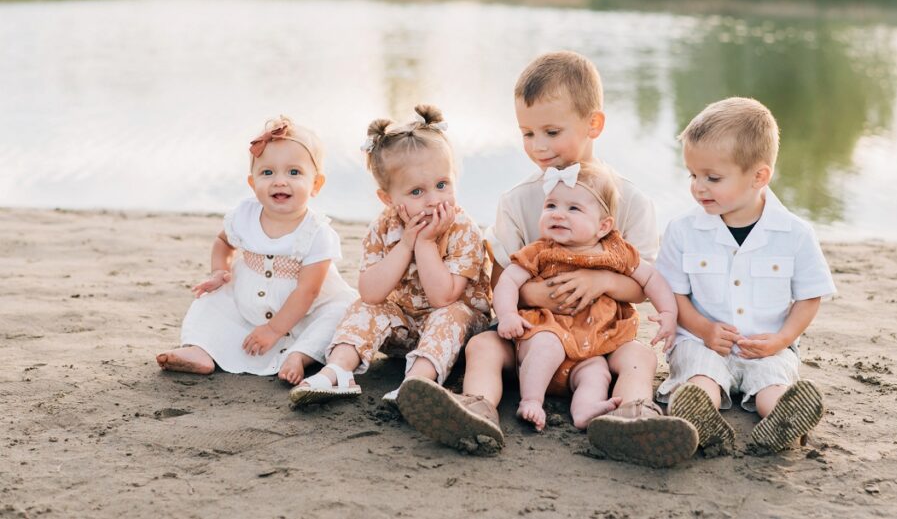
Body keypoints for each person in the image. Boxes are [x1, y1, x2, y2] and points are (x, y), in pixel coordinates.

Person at [398, 51, 697, 468]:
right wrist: (541, 294)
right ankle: (477, 407)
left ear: (594, 124)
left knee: (640, 356)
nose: (538, 147)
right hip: (531, 336)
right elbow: (501, 280)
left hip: (599, 346)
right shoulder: (519, 201)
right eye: (527, 133)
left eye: (551, 132)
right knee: (484, 345)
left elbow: (643, 284)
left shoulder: (631, 201)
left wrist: (602, 283)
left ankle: (634, 413)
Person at [658, 97, 835, 455]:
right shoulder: (682, 229)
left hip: (765, 344)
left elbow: (809, 297)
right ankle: (699, 418)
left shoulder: (794, 234)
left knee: (772, 381)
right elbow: (672, 293)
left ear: (759, 176)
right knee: (700, 375)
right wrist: (703, 329)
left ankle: (784, 420)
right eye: (692, 175)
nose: (698, 187)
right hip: (701, 339)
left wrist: (782, 339)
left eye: (712, 178)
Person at [289, 105, 491, 406]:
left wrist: (426, 244)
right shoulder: (383, 227)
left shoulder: (462, 228)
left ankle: (417, 382)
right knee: (364, 308)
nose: (434, 200)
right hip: (404, 328)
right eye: (416, 192)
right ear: (388, 198)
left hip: (458, 331)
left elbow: (444, 298)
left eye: (442, 185)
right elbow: (370, 293)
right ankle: (338, 371)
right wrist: (406, 245)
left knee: (451, 314)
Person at [156, 116, 357, 384]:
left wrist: (275, 329)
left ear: (316, 185)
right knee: (210, 300)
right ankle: (201, 349)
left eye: (294, 172)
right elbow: (223, 242)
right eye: (267, 172)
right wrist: (219, 271)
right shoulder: (244, 215)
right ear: (252, 183)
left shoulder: (317, 232)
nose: (280, 181)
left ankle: (299, 356)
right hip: (247, 302)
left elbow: (308, 291)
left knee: (340, 313)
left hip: (303, 313)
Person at [494, 162, 678, 432]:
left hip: (594, 347)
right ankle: (531, 400)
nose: (558, 215)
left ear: (603, 226)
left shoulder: (616, 251)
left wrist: (668, 313)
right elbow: (507, 280)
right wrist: (508, 314)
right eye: (551, 206)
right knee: (547, 345)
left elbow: (650, 278)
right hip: (550, 333)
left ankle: (584, 411)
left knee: (597, 373)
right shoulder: (541, 251)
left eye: (573, 209)